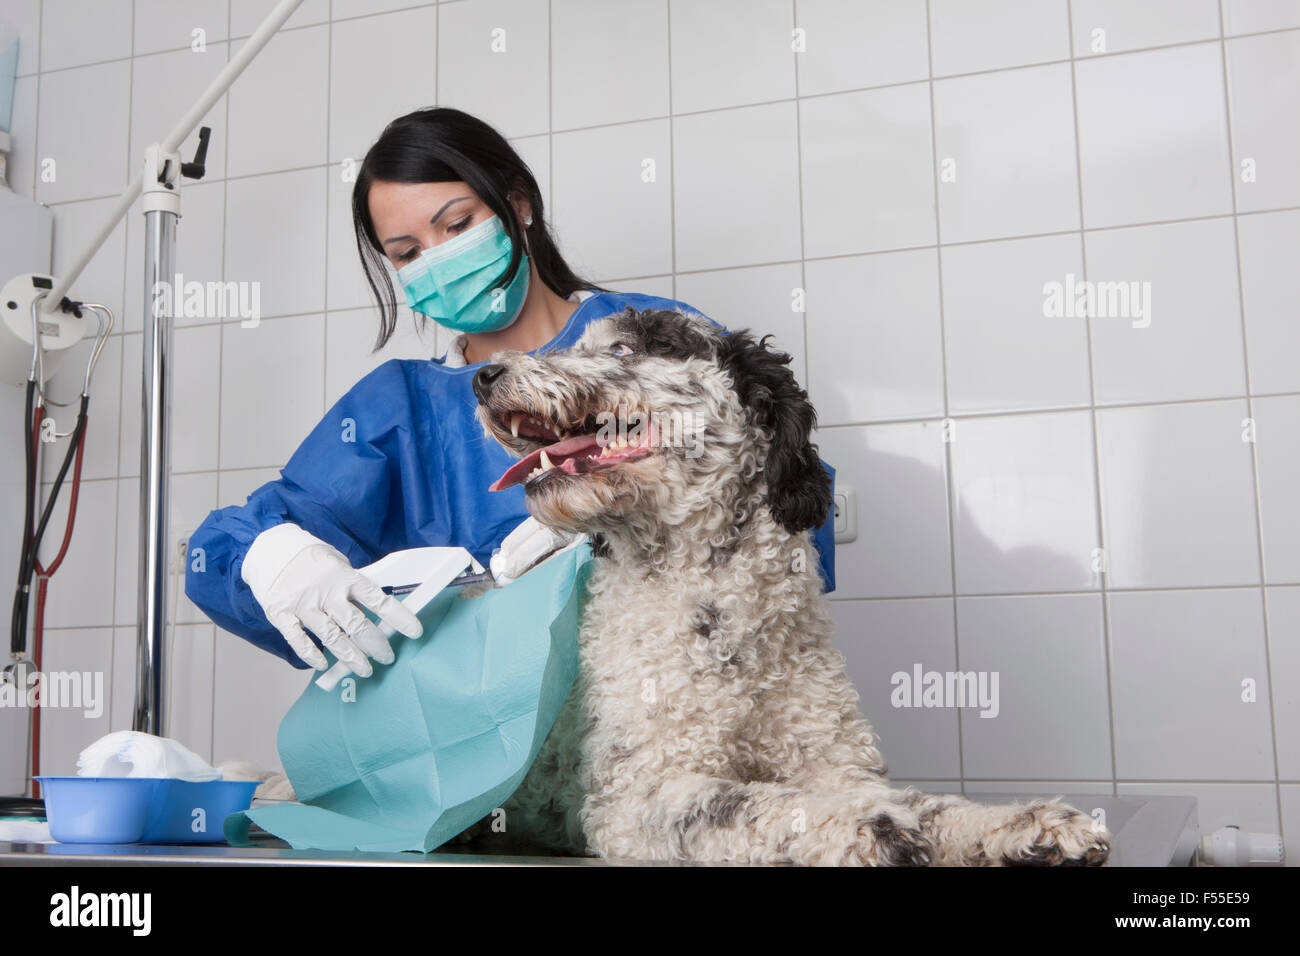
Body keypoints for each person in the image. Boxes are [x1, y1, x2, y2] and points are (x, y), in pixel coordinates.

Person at [184, 107, 835, 678]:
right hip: (470, 761)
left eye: (458, 224)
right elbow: (218, 552)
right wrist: (272, 559)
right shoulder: (394, 412)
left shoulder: (649, 337)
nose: (437, 260)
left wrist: (611, 542)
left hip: (665, 714)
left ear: (517, 203)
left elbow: (791, 502)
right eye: (407, 253)